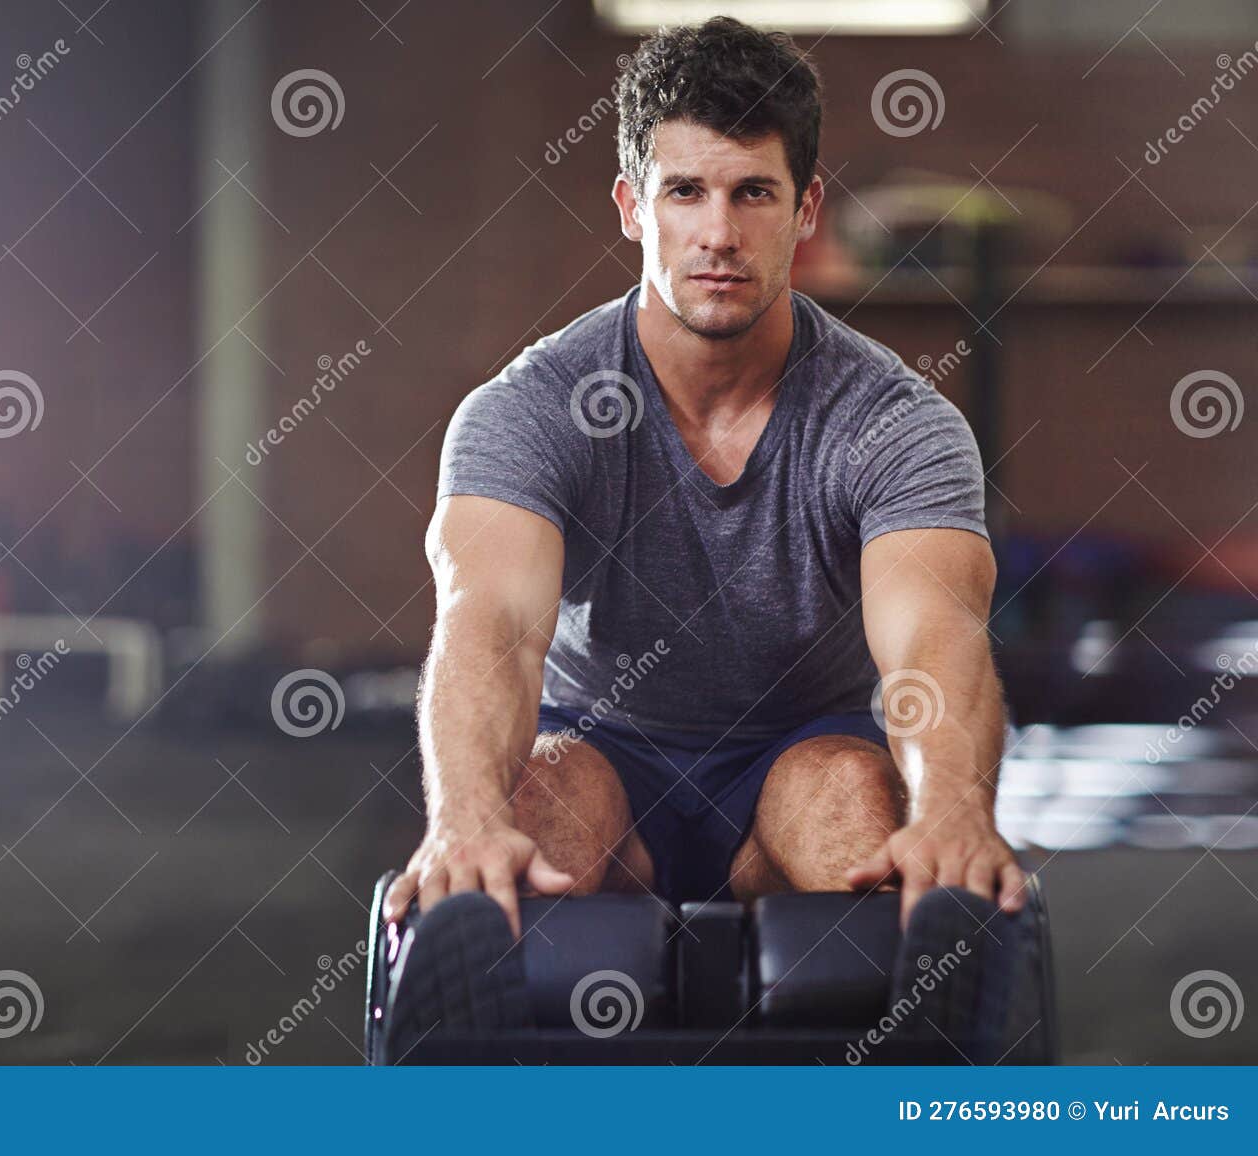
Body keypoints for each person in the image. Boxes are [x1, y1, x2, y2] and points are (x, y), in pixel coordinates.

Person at [383, 16, 1025, 939]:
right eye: (685, 191)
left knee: (875, 840)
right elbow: (493, 627)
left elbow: (932, 640)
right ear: (631, 207)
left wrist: (954, 814)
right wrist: (466, 820)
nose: (719, 233)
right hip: (599, 749)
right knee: (512, 839)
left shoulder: (896, 422)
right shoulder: (529, 409)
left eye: (753, 193)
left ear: (806, 210)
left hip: (798, 760)